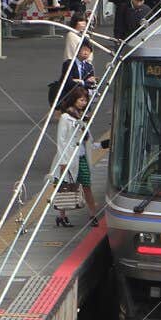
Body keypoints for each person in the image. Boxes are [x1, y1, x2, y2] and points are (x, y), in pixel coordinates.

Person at [52, 84, 97, 227]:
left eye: (85, 100)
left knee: (86, 186)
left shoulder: (83, 117)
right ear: (74, 100)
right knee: (66, 186)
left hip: (82, 156)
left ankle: (92, 215)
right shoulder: (65, 117)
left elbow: (87, 138)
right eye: (81, 100)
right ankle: (62, 215)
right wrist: (64, 161)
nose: (84, 103)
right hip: (69, 157)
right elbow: (61, 140)